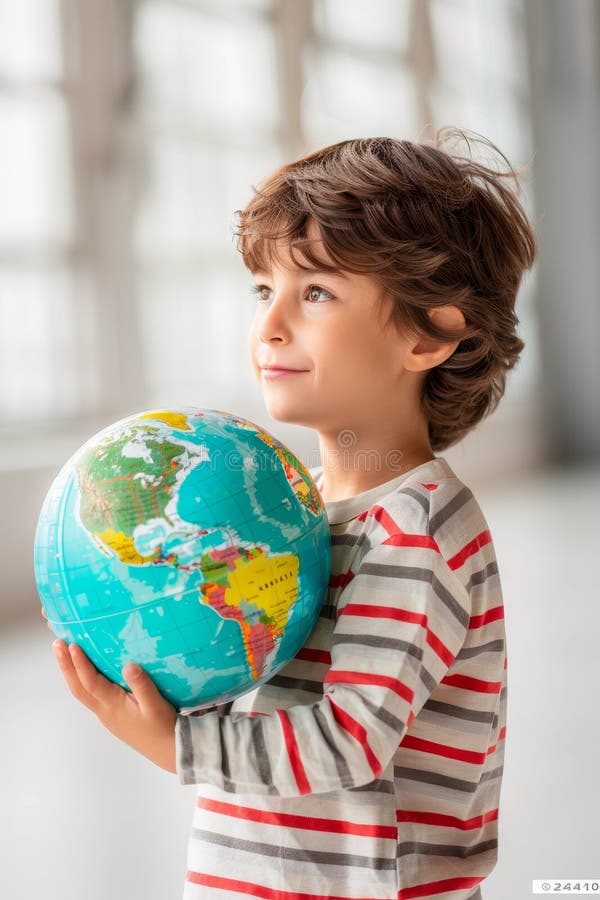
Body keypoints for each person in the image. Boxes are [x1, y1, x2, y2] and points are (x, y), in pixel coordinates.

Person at [51, 129, 536, 900]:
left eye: (315, 293)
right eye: (262, 290)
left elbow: (348, 740)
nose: (269, 323)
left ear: (431, 333)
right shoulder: (291, 512)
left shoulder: (418, 530)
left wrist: (178, 743)